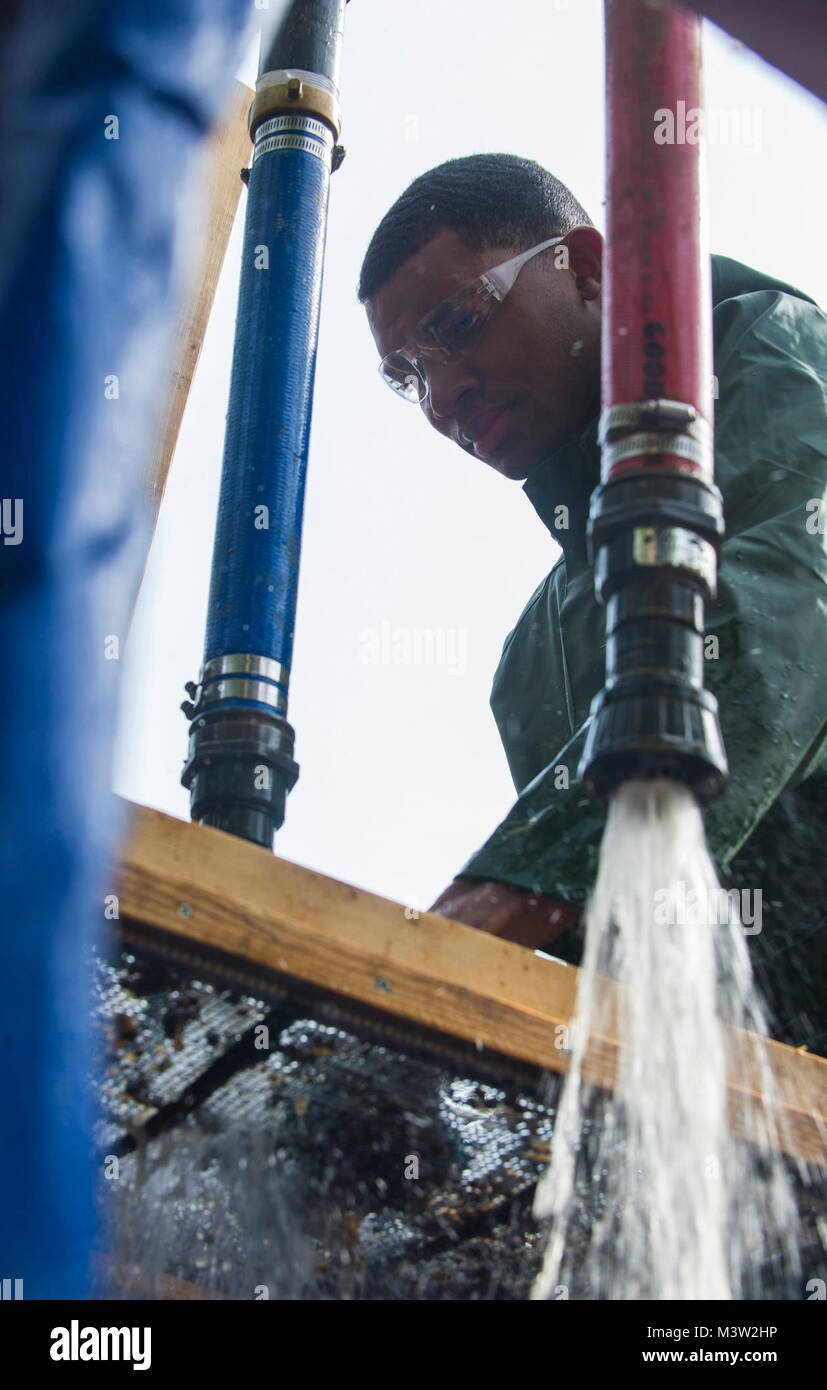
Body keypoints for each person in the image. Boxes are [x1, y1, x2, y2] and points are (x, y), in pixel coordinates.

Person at [359, 154, 827, 1052]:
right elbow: (598, 957)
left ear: (583, 266)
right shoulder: (532, 659)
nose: (442, 394)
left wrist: (474, 921)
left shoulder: (775, 357)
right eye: (408, 376)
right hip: (744, 1121)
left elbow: (782, 622)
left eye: (456, 323)